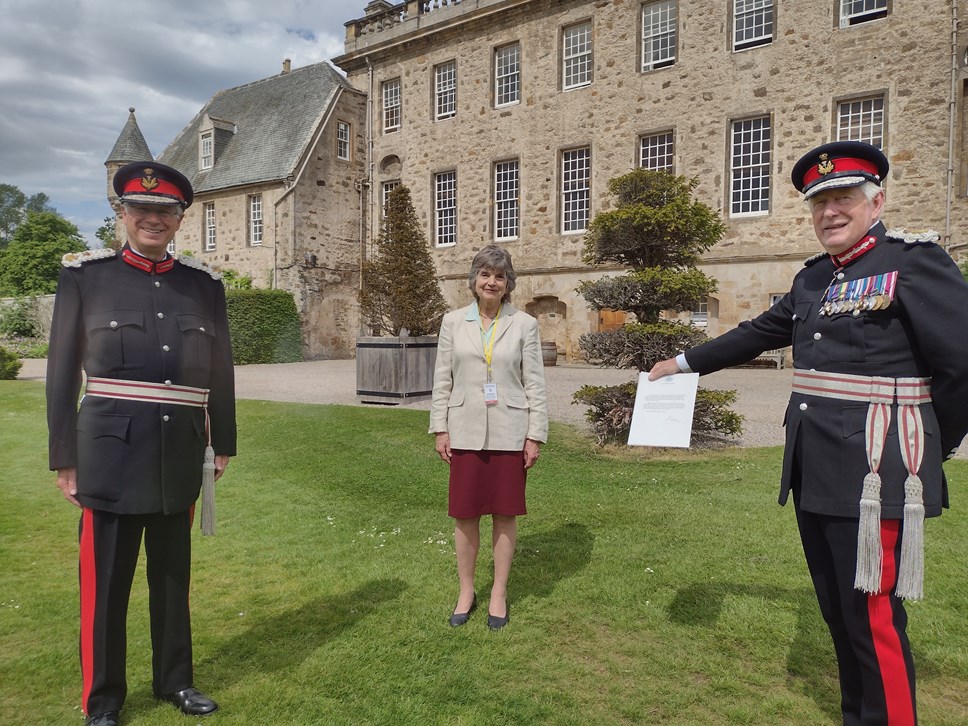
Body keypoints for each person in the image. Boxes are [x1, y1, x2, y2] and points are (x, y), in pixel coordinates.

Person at [649, 141, 968, 724]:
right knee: (838, 612)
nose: (830, 212)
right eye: (819, 202)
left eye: (844, 198)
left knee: (873, 619)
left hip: (876, 471)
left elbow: (961, 366)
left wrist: (923, 448)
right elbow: (755, 332)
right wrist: (682, 362)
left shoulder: (914, 262)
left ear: (878, 201)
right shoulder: (813, 279)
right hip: (814, 471)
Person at [46, 162, 237, 726]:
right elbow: (60, 374)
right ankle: (102, 700)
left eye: (166, 211)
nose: (153, 219)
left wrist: (220, 442)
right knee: (105, 587)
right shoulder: (86, 276)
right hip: (106, 454)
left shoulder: (203, 285)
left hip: (178, 452)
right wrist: (64, 459)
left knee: (172, 580)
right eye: (141, 209)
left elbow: (220, 369)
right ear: (122, 214)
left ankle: (175, 681)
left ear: (180, 219)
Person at [429, 245, 548, 630]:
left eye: (499, 276)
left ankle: (498, 591)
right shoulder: (452, 322)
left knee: (504, 514)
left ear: (508, 282)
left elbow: (535, 384)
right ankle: (466, 590)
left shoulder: (525, 325)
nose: (491, 282)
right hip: (463, 429)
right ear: (474, 280)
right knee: (465, 515)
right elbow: (442, 379)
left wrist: (535, 435)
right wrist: (441, 428)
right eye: (485, 274)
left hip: (510, 431)